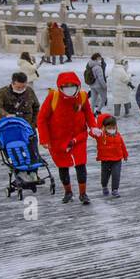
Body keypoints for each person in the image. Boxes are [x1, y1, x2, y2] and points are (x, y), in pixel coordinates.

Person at [37, 71, 100, 204]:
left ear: (78, 85)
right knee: (63, 166)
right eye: (66, 86)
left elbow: (88, 113)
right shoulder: (53, 97)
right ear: (60, 87)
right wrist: (44, 139)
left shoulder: (82, 95)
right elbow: (42, 118)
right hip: (58, 139)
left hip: (78, 137)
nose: (69, 88)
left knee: (80, 164)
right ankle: (68, 192)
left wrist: (93, 126)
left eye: (72, 85)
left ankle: (83, 194)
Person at [94, 113, 129, 197]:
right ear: (104, 127)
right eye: (109, 128)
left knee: (116, 174)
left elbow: (122, 145)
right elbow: (92, 133)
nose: (112, 129)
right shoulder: (101, 136)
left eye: (113, 127)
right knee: (105, 176)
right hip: (106, 160)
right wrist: (98, 129)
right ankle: (104, 186)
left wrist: (125, 154)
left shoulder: (118, 135)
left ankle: (115, 190)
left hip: (117, 159)